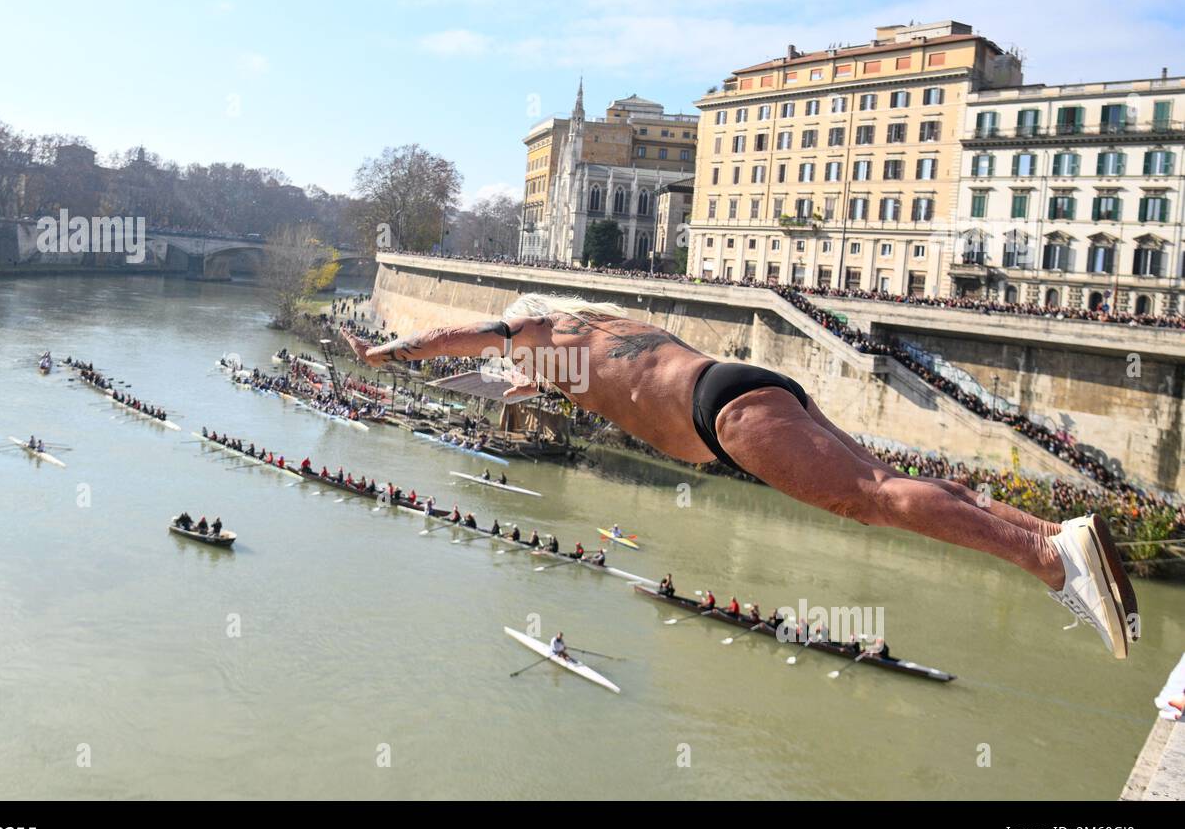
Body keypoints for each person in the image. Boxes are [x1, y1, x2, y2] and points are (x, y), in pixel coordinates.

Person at [344, 293, 1137, 659]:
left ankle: (1046, 562)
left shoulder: (528, 324)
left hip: (722, 419)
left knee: (873, 502)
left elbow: (468, 336)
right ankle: (1053, 532)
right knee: (888, 475)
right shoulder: (585, 333)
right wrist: (533, 380)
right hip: (737, 383)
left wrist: (388, 351)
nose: (515, 359)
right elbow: (574, 375)